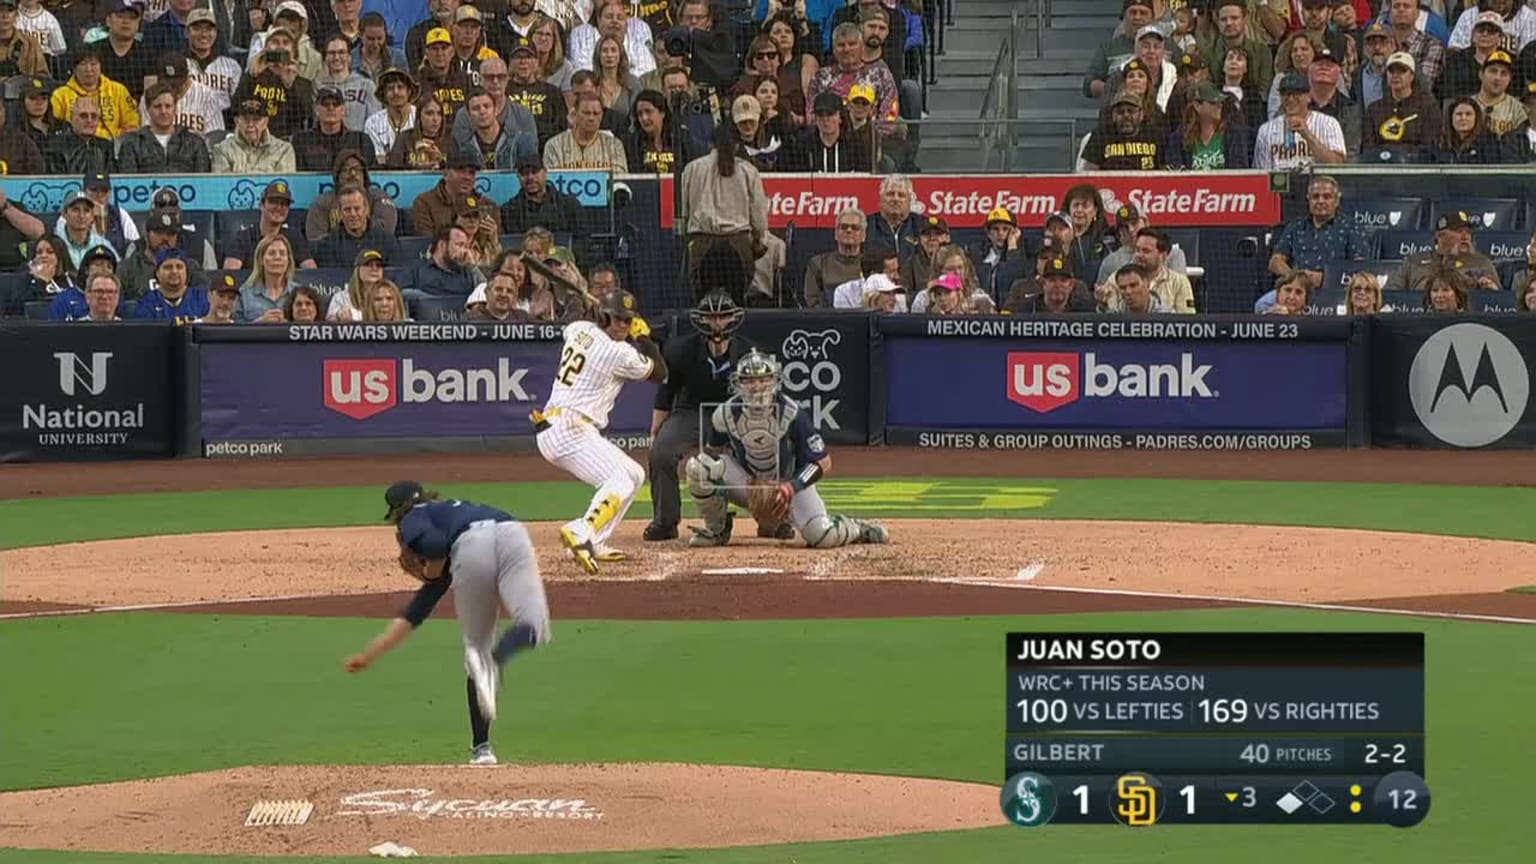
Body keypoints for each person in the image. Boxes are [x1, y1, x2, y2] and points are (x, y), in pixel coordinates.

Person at [347, 481, 551, 767]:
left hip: (472, 546)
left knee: (477, 650)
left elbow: (434, 546)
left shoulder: (414, 516)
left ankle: (483, 749)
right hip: (512, 532)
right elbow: (416, 611)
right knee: (534, 626)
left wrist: (428, 572)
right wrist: (370, 655)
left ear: (397, 510)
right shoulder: (452, 513)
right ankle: (497, 660)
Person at [684, 349, 888, 549]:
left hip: (788, 487)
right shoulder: (724, 414)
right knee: (699, 467)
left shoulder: (792, 413)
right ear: (738, 383)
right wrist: (749, 484)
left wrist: (791, 486)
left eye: (763, 380)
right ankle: (716, 530)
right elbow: (715, 454)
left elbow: (822, 463)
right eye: (750, 380)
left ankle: (857, 528)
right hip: (749, 486)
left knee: (822, 535)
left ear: (774, 381)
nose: (757, 387)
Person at [536, 290, 667, 573]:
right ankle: (582, 529)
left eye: (628, 321)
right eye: (618, 320)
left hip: (561, 426)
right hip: (569, 428)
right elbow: (661, 373)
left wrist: (601, 314)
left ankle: (596, 540)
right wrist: (643, 336)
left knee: (635, 474)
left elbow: (575, 323)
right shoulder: (619, 353)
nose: (623, 326)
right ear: (605, 316)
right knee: (618, 478)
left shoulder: (579, 330)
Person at [680, 124, 768, 304]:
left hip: (701, 244)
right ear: (736, 145)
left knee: (701, 303)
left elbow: (685, 213)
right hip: (738, 243)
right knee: (737, 304)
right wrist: (759, 241)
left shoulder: (691, 169)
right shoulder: (748, 171)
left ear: (710, 144)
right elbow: (758, 216)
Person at [1388, 210, 1500, 292]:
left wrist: (1490, 288)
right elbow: (1392, 293)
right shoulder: (1413, 262)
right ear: (1439, 236)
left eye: (1468, 231)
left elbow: (1499, 299)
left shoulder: (1482, 263)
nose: (1465, 236)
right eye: (1458, 231)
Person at [1253, 71, 1346, 169]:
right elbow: (1262, 173)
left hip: (1316, 182)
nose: (1290, 99)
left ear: (1309, 96)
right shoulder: (1266, 130)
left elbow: (1337, 165)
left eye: (1296, 94)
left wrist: (1307, 136)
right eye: (1285, 94)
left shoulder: (1328, 123)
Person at [118, 80, 213, 172]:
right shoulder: (132, 144)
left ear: (175, 108)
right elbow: (128, 182)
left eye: (168, 106)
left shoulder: (194, 143)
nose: (163, 111)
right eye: (157, 106)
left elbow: (203, 182)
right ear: (147, 109)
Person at [52, 43, 140, 139]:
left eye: (93, 64)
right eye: (83, 64)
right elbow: (55, 129)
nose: (89, 69)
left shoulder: (118, 90)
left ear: (101, 66)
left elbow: (132, 125)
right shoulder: (60, 95)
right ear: (74, 68)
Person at [225, 180, 317, 270]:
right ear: (261, 205)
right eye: (273, 202)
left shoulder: (295, 237)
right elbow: (231, 275)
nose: (279, 208)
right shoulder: (243, 238)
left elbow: (312, 274)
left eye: (284, 204)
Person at [1363, 52, 1439, 160]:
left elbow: (1429, 146)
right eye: (1391, 71)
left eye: (1402, 71)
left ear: (1412, 76)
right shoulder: (1374, 109)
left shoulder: (1427, 107)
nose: (1395, 75)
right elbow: (1368, 147)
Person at [1167, 81, 1252, 168]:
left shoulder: (1233, 135)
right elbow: (1176, 173)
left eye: (1220, 102)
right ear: (1197, 106)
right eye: (1213, 102)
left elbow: (1239, 172)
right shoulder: (1179, 138)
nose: (1220, 105)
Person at [314, 184, 403, 267]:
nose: (353, 214)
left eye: (357, 208)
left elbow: (395, 275)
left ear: (366, 209)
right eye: (347, 209)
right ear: (340, 212)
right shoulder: (328, 244)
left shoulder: (386, 240)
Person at [501, 153, 585, 238]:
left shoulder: (570, 205)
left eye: (535, 172)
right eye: (525, 173)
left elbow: (583, 240)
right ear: (518, 177)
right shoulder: (509, 211)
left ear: (545, 173)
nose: (530, 177)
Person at [292, 86, 377, 170]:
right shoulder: (301, 141)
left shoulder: (361, 141)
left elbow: (372, 175)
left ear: (343, 110)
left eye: (335, 104)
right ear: (316, 110)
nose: (331, 108)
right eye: (325, 104)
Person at [783, 90, 868, 171]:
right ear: (815, 118)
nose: (825, 119)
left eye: (830, 114)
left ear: (840, 117)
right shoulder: (803, 146)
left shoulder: (855, 147)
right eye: (820, 114)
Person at [1081, 90, 1166, 170]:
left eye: (1131, 111)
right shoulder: (1101, 135)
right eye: (1120, 112)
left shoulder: (1155, 135)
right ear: (1113, 115)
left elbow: (1165, 172)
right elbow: (1089, 172)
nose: (1126, 116)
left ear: (1141, 114)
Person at [543, 91, 628, 169]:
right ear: (575, 114)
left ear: (602, 115)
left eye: (596, 113)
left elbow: (619, 181)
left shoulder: (614, 146)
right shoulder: (554, 145)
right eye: (586, 113)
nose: (591, 118)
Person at [212, 97, 297, 172]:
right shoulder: (221, 150)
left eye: (256, 119)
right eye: (245, 119)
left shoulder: (283, 150)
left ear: (265, 122)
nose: (250, 124)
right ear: (236, 121)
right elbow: (223, 188)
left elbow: (283, 187)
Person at [132, 247, 208, 325]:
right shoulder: (146, 303)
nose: (174, 271)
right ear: (157, 273)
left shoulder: (202, 298)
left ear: (186, 272)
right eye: (168, 267)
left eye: (179, 267)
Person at [236, 232, 299, 322]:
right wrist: (260, 323)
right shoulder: (244, 294)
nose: (278, 257)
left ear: (288, 260)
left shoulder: (299, 293)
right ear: (261, 259)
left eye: (282, 253)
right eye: (271, 253)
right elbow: (235, 330)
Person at [1427, 95, 1511, 162]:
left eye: (1468, 114)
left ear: (1476, 117)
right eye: (1459, 114)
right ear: (1450, 117)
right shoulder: (1438, 143)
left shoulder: (1490, 143)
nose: (1463, 118)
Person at [44, 97, 115, 175]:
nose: (89, 120)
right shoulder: (56, 146)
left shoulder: (106, 146)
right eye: (83, 116)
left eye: (94, 116)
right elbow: (57, 181)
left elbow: (114, 178)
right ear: (71, 118)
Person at [386, 91, 451, 168]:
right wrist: (417, 168)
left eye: (439, 114)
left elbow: (457, 172)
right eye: (429, 113)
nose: (435, 119)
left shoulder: (449, 141)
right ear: (419, 116)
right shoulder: (405, 139)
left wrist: (441, 162)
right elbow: (392, 170)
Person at [364, 67, 418, 158]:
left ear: (409, 91)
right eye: (390, 88)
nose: (395, 92)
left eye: (400, 87)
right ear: (384, 93)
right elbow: (378, 160)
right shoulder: (373, 123)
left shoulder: (420, 116)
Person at [1011, 256, 1095, 314]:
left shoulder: (1085, 311)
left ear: (1071, 285)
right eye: (1052, 280)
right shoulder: (1026, 310)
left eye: (1063, 280)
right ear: (1043, 283)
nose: (1058, 285)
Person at [329, 248, 391, 321]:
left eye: (379, 265)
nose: (375, 269)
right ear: (357, 270)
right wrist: (338, 315)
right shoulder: (341, 297)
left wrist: (355, 315)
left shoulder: (390, 296)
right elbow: (329, 321)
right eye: (368, 264)